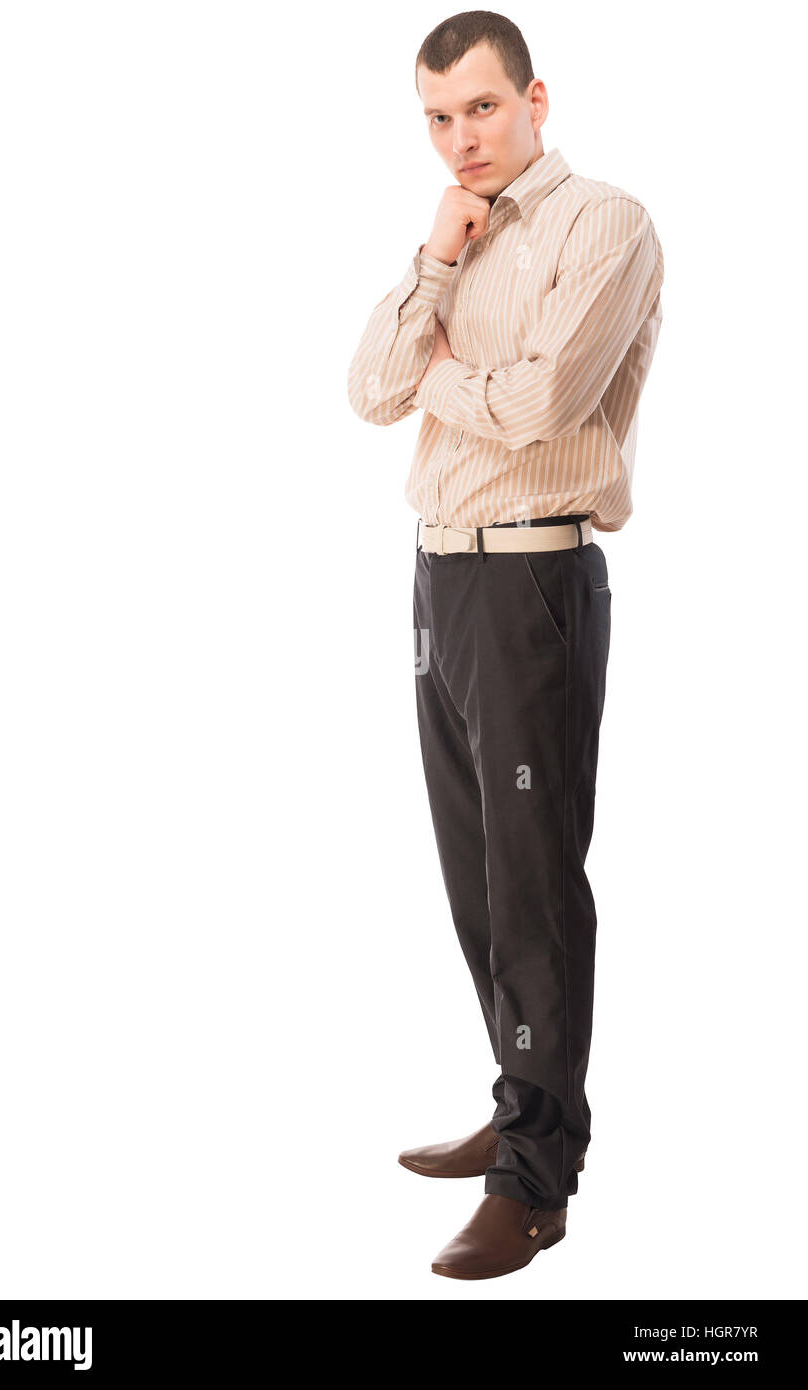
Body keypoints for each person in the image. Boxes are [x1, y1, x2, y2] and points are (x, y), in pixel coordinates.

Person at [347, 10, 664, 1280]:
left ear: (536, 97)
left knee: (534, 879)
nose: (459, 138)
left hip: (535, 579)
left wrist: (435, 379)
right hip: (440, 576)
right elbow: (364, 384)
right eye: (437, 118)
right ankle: (517, 1095)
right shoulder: (458, 237)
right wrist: (430, 271)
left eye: (479, 107)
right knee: (477, 869)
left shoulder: (607, 223)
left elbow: (543, 405)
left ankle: (541, 1176)